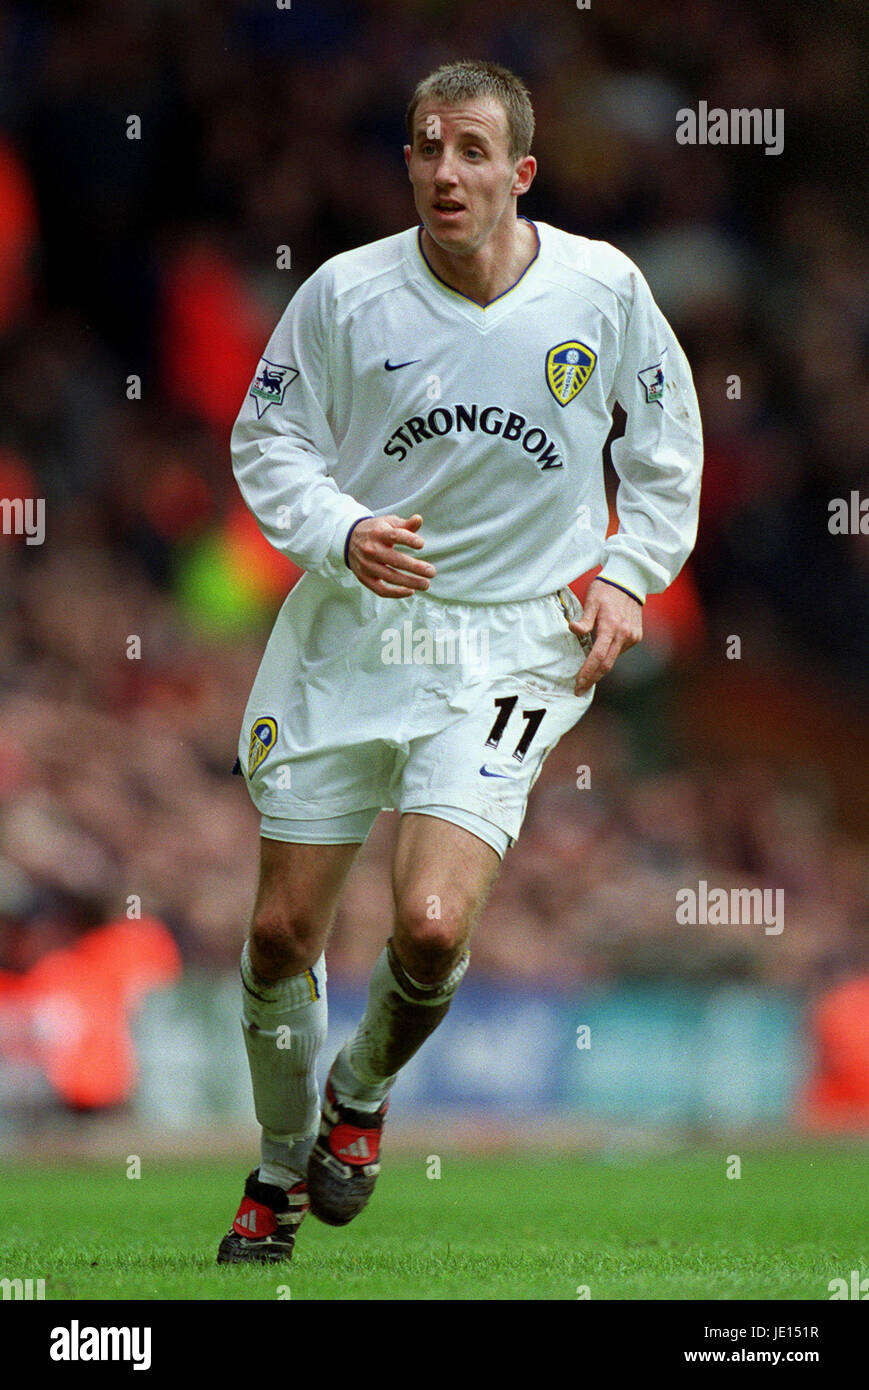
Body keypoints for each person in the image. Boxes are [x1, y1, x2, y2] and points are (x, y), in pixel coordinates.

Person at [217, 59, 703, 1263]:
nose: (447, 171)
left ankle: (361, 1092)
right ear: (407, 163)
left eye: (473, 151)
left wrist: (629, 576)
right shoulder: (344, 294)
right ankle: (279, 1171)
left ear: (519, 174)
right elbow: (267, 434)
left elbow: (664, 447)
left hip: (507, 643)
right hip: (356, 625)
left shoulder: (601, 289)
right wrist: (338, 529)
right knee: (282, 935)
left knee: (430, 924)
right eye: (428, 149)